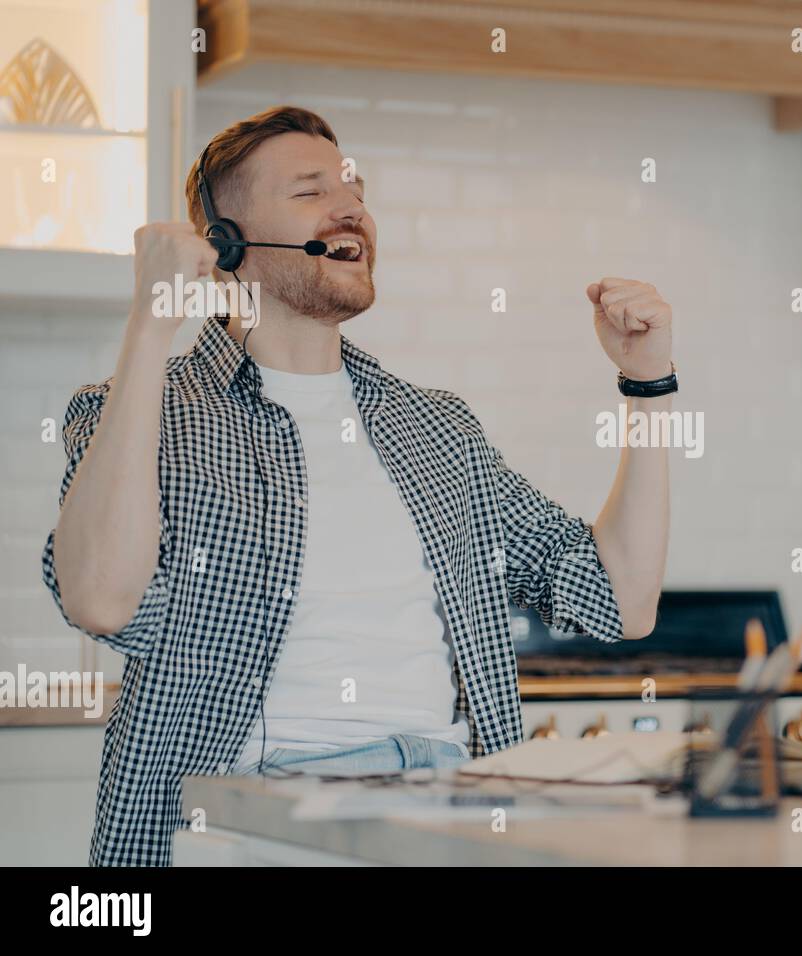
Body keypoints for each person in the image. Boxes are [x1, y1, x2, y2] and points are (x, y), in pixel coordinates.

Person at [41, 106, 674, 866]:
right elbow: (100, 597)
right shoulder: (146, 414)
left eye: (354, 189)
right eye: (310, 193)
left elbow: (623, 598)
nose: (352, 209)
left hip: (456, 804)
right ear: (226, 245)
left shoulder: (437, 428)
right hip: (259, 815)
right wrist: (152, 318)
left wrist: (649, 386)